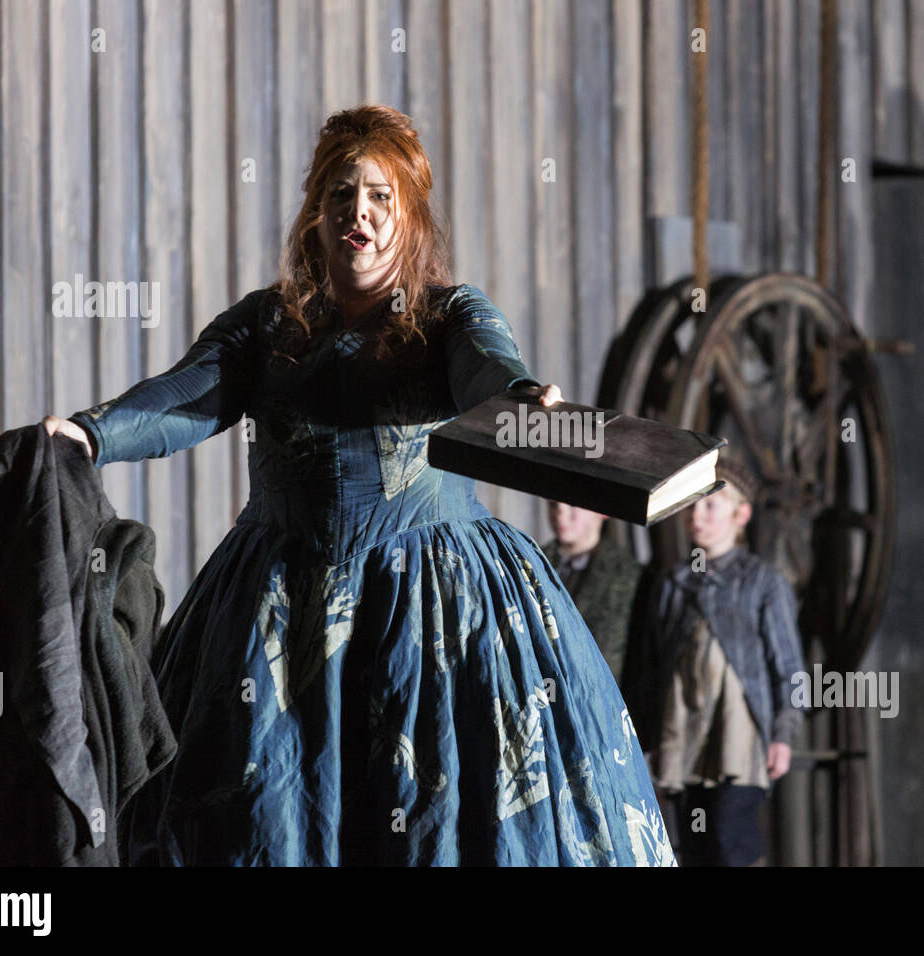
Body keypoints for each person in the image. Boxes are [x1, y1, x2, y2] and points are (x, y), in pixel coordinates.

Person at [42, 105, 675, 866]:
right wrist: (91, 432)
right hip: (278, 605)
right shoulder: (267, 326)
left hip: (437, 600)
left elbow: (489, 370)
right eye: (341, 196)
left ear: (409, 218)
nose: (359, 215)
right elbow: (185, 398)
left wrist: (524, 397)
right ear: (315, 214)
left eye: (381, 198)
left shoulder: (450, 317)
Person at [638, 455, 806, 866]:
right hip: (686, 737)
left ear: (740, 513)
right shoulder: (673, 584)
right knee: (691, 844)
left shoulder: (763, 583)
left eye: (711, 503)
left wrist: (783, 733)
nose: (699, 514)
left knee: (732, 837)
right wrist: (651, 738)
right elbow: (653, 667)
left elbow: (788, 669)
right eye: (693, 503)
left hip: (738, 742)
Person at [541, 502, 649, 706]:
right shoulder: (528, 563)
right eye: (554, 504)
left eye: (573, 504)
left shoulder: (631, 577)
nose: (560, 513)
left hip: (599, 710)